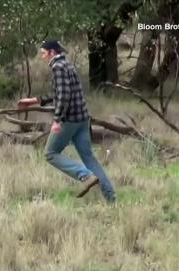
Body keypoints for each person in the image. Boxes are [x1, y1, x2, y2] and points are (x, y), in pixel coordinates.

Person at [18, 39, 116, 203]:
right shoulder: (67, 65)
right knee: (89, 158)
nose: (42, 57)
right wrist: (34, 100)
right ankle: (111, 198)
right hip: (82, 119)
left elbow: (63, 97)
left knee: (50, 153)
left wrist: (57, 120)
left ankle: (84, 176)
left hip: (69, 120)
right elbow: (59, 93)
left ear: (52, 52)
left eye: (43, 53)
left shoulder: (58, 68)